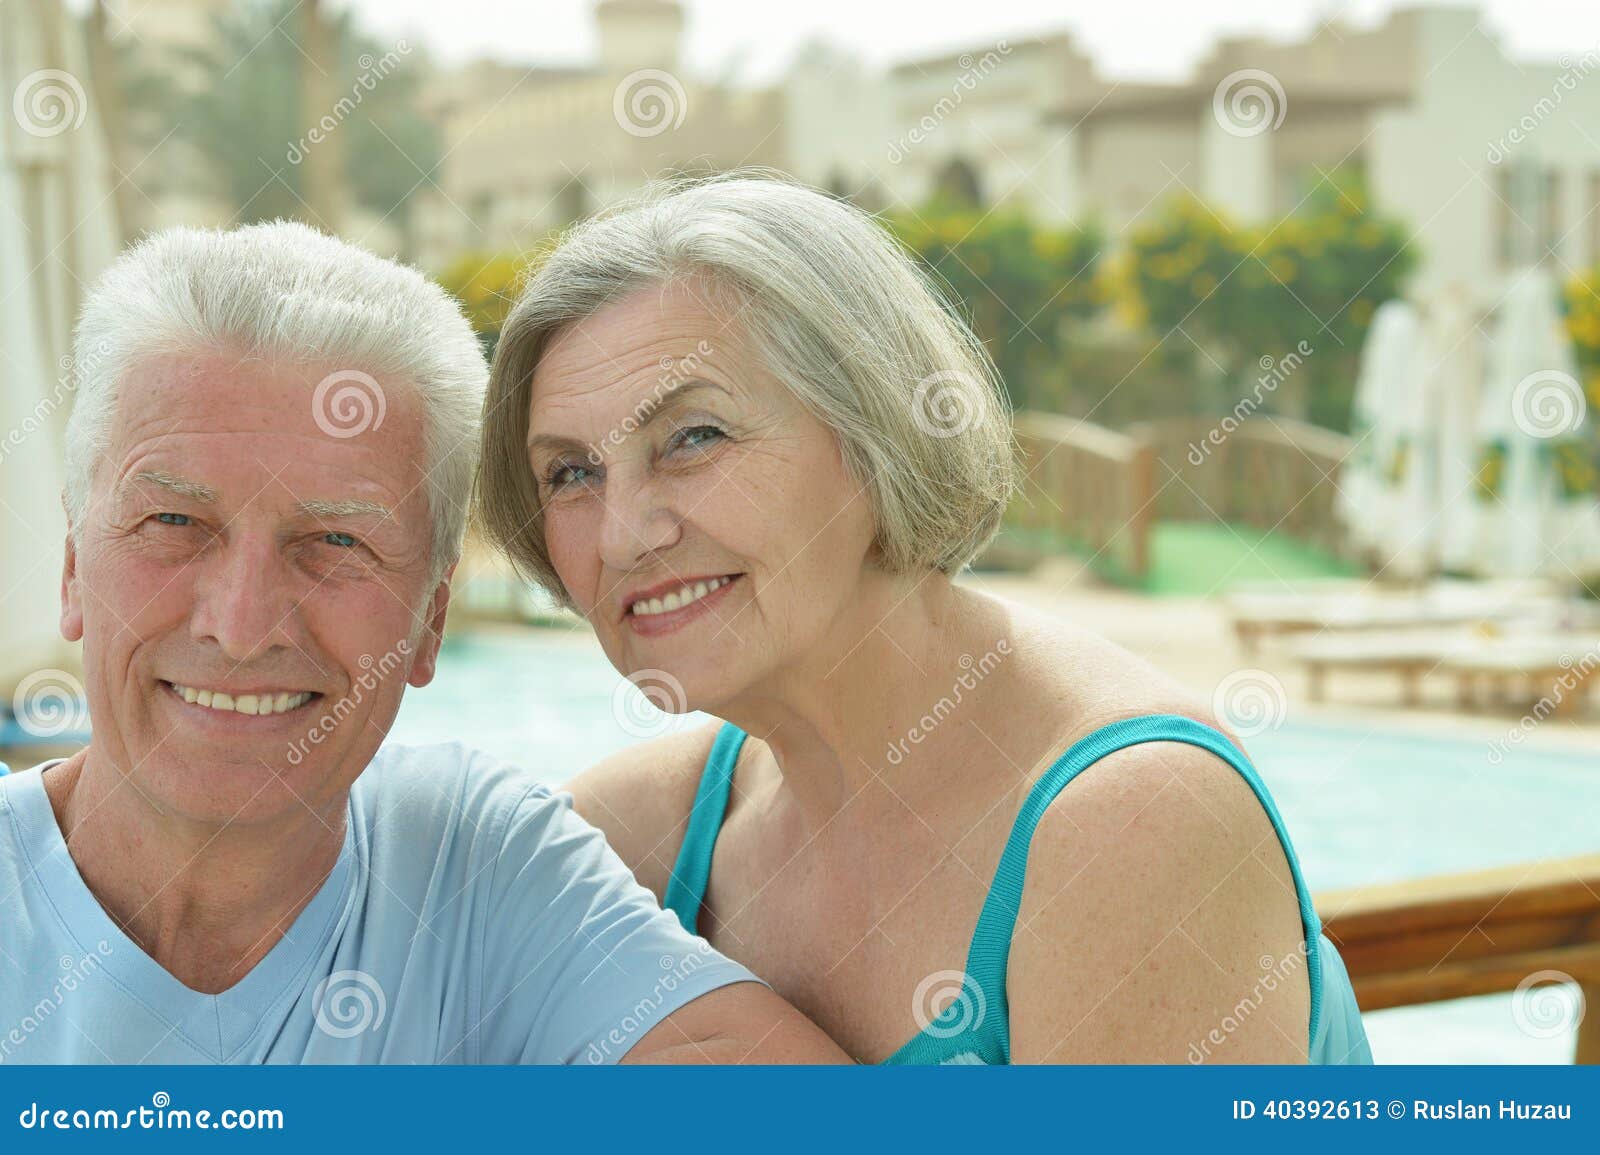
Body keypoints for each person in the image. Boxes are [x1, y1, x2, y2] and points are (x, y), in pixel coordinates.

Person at [475, 173, 1374, 1064]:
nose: (624, 534)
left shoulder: (1134, 823)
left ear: (874, 433)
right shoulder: (637, 835)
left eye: (694, 436)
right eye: (570, 474)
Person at [0, 221, 848, 1065]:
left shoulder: (472, 870)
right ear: (74, 567)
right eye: (174, 522)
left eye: (337, 542)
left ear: (429, 620)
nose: (244, 623)